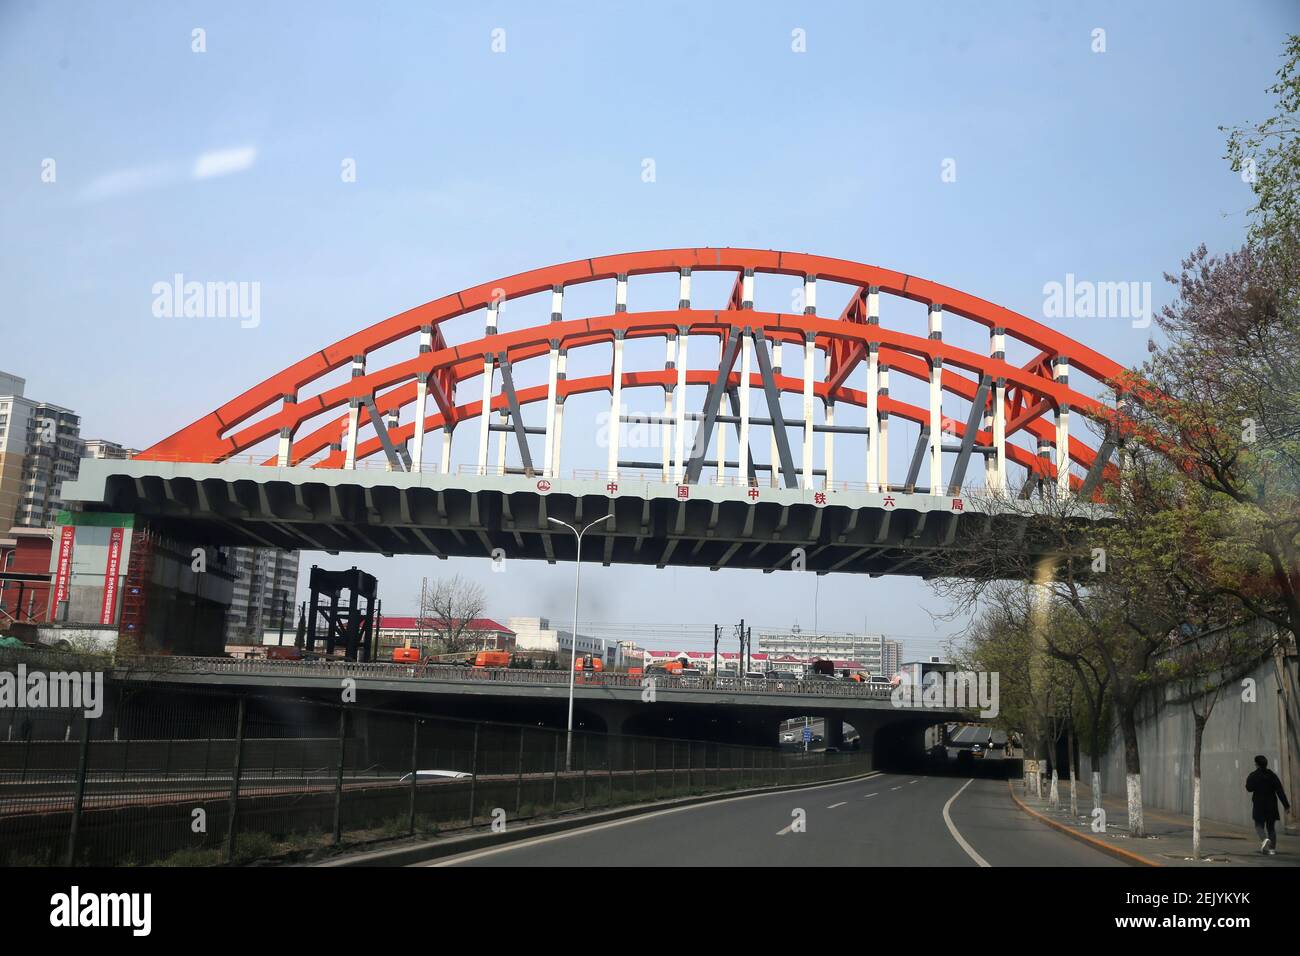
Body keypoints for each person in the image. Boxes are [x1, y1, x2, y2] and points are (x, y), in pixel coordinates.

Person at [1245, 755, 1291, 856]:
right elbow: (1280, 791)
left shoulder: (1254, 775)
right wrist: (1286, 805)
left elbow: (1249, 788)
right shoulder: (1272, 775)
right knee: (1271, 828)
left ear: (1256, 764)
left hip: (1259, 805)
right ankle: (1272, 849)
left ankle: (1264, 839)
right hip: (1271, 805)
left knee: (1258, 825)